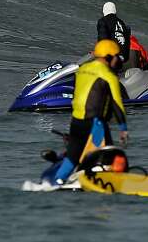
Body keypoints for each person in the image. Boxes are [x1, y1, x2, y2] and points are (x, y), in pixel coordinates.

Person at [54, 40, 129, 184]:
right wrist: (123, 129)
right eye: (116, 57)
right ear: (108, 57)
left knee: (73, 156)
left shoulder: (82, 70)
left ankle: (57, 181)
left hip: (76, 121)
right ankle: (109, 183)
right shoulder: (108, 76)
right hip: (95, 123)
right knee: (110, 156)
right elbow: (117, 104)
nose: (118, 60)